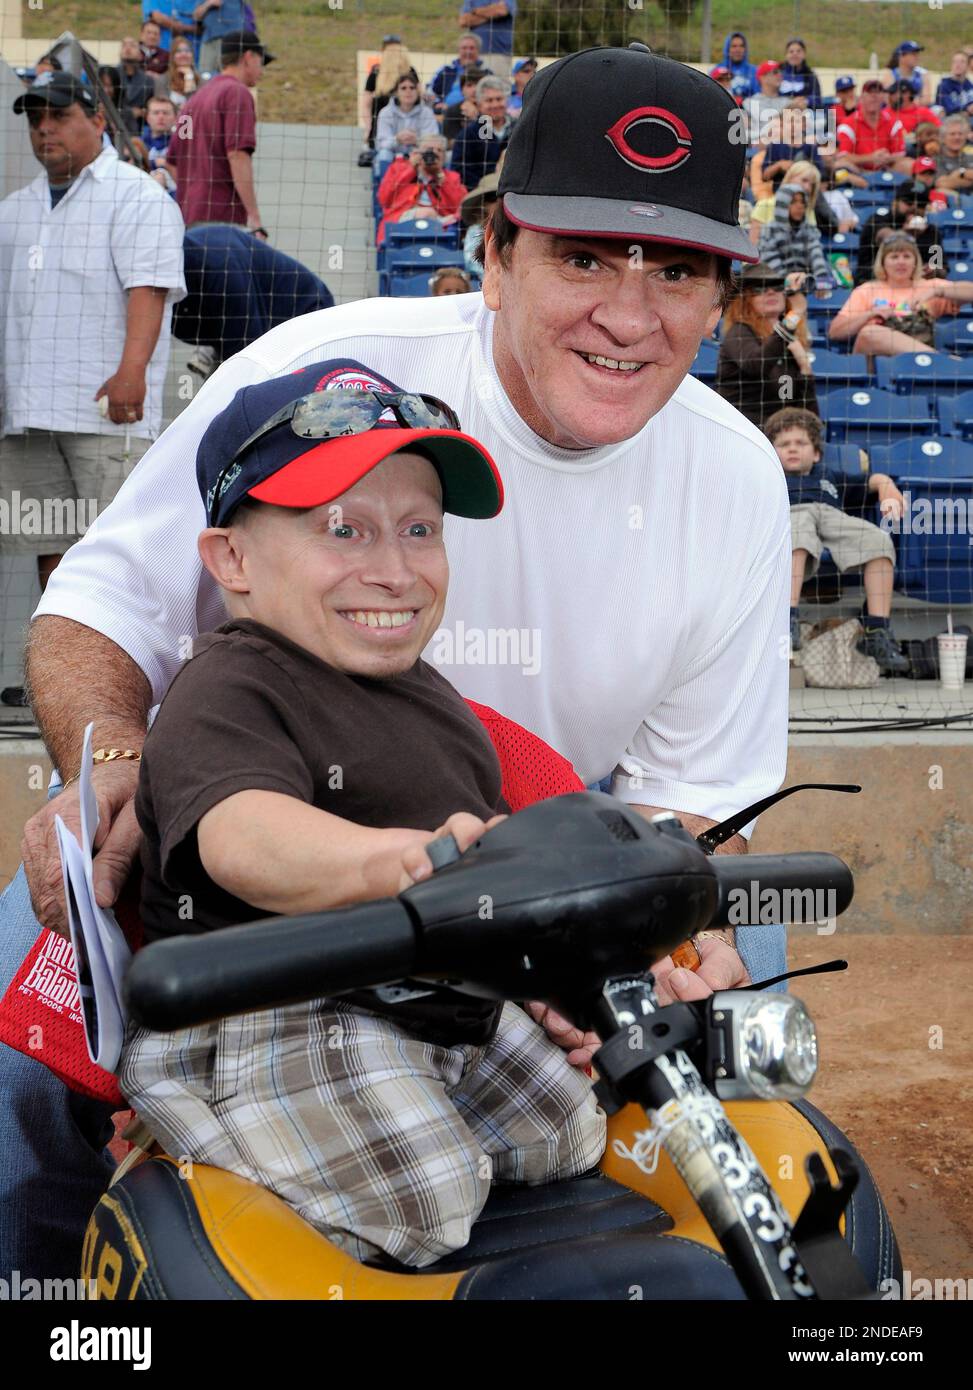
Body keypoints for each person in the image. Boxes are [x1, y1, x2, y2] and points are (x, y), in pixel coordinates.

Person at [3, 46, 788, 1283]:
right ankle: (58, 1286)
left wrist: (641, 922)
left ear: (719, 294)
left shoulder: (737, 478)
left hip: (528, 869)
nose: (629, 315)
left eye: (676, 270)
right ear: (494, 255)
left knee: (736, 1014)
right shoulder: (315, 375)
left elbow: (698, 804)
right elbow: (93, 600)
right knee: (31, 1041)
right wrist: (106, 759)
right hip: (255, 867)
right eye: (583, 258)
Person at [115, 364, 607, 1270]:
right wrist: (416, 861)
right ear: (231, 561)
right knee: (426, 1201)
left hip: (436, 1002)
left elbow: (487, 883)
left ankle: (340, 1159)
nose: (392, 569)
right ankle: (191, 1141)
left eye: (419, 530)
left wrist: (532, 967)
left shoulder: (439, 704)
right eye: (344, 530)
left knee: (572, 1136)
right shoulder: (233, 682)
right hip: (277, 1008)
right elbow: (244, 837)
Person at [0, 73, 185, 693]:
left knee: (116, 556)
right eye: (34, 119)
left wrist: (133, 370)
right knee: (51, 551)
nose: (44, 129)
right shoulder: (16, 208)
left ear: (98, 120)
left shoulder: (137, 196)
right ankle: (66, 680)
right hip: (28, 412)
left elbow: (148, 290)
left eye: (58, 115)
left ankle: (129, 688)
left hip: (106, 410)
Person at [766, 407, 910, 674]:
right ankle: (788, 619)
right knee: (797, 528)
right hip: (794, 516)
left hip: (832, 518)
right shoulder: (770, 477)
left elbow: (874, 480)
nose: (793, 449)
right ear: (771, 451)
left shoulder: (829, 476)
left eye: (801, 443)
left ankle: (877, 630)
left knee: (878, 540)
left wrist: (887, 489)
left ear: (817, 453)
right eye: (784, 444)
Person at [173, 224, 333, 373]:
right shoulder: (170, 269)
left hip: (306, 312)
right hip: (250, 319)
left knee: (262, 386)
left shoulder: (223, 275)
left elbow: (248, 358)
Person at [165, 30, 271, 235]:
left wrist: (195, 195)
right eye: (261, 61)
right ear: (248, 57)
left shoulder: (193, 101)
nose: (262, 70)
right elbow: (237, 154)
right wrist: (254, 218)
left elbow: (172, 161)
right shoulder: (237, 93)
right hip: (223, 218)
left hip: (189, 219)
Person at [829, 232, 973, 356]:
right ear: (883, 262)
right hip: (877, 364)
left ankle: (933, 360)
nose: (901, 262)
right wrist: (871, 314)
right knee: (869, 333)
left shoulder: (930, 286)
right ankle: (940, 360)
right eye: (894, 257)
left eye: (906, 256)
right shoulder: (866, 290)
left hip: (919, 360)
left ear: (915, 262)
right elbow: (835, 332)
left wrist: (937, 291)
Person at [716, 262, 818, 427]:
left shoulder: (789, 339)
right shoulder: (739, 332)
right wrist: (795, 314)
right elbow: (757, 365)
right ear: (745, 299)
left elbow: (809, 413)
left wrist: (805, 367)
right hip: (743, 430)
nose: (771, 292)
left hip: (781, 436)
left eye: (777, 287)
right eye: (759, 288)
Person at [377, 136, 466, 243]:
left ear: (444, 157)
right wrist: (411, 169)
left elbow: (459, 207)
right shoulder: (398, 169)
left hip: (440, 222)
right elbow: (384, 199)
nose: (434, 153)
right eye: (429, 149)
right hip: (402, 219)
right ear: (418, 151)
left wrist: (441, 178)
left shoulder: (452, 177)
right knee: (425, 213)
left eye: (439, 150)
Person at [854, 180, 943, 284]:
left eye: (921, 204)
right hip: (874, 286)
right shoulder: (877, 220)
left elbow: (940, 268)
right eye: (909, 202)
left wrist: (932, 270)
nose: (914, 207)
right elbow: (885, 236)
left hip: (916, 289)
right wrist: (908, 232)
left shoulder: (931, 232)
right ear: (895, 202)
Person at [757, 183, 833, 294]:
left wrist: (821, 279)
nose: (800, 206)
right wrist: (788, 281)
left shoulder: (809, 229)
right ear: (782, 205)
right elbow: (770, 261)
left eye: (802, 202)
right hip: (778, 286)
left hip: (806, 283)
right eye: (793, 202)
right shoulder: (769, 229)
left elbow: (816, 256)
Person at [358, 37, 418, 167]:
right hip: (395, 135)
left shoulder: (377, 72)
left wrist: (368, 128)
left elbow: (365, 104)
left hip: (383, 135)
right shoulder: (410, 73)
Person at [834, 78, 910, 174]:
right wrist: (871, 158)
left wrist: (885, 158)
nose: (849, 94)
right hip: (858, 170)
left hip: (887, 168)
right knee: (839, 164)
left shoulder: (893, 120)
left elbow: (900, 154)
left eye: (851, 90)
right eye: (844, 91)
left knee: (909, 164)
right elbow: (839, 153)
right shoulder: (831, 111)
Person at [450, 75, 511, 188]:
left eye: (499, 99)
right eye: (489, 100)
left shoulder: (519, 129)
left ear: (506, 100)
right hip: (481, 196)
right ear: (479, 104)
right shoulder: (467, 135)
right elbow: (460, 172)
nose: (495, 105)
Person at [374, 72, 439, 160]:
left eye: (412, 88)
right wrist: (397, 139)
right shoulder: (386, 113)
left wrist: (417, 140)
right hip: (393, 157)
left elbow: (433, 142)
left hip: (419, 156)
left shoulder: (426, 112)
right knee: (383, 155)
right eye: (403, 88)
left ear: (417, 91)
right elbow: (380, 144)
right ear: (396, 92)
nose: (408, 91)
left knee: (431, 156)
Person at [459, 1, 516, 85]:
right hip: (474, 55)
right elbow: (463, 21)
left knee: (498, 89)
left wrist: (475, 11)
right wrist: (491, 12)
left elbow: (501, 11)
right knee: (473, 87)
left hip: (498, 54)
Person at [430, 33, 485, 113]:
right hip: (445, 112)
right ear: (458, 50)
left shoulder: (486, 72)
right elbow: (431, 91)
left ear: (478, 51)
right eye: (464, 48)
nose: (468, 52)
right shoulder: (446, 70)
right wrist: (437, 103)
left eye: (472, 48)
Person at [194, 0, 250, 75]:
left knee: (233, 75)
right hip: (209, 41)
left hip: (233, 41)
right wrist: (209, 3)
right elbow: (196, 16)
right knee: (205, 75)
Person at [116, 36, 157, 136]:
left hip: (139, 131)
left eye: (133, 46)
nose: (128, 48)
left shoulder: (148, 81)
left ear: (140, 55)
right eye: (124, 45)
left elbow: (150, 108)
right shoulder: (110, 76)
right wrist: (131, 112)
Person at [460, 168, 498, 272]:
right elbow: (472, 262)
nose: (499, 202)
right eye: (492, 197)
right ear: (483, 205)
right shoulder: (475, 230)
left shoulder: (521, 229)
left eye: (503, 196)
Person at [744, 60, 788, 142]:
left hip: (784, 146)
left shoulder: (788, 102)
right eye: (775, 72)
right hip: (757, 147)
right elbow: (741, 134)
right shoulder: (748, 103)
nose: (780, 75)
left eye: (780, 72)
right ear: (762, 78)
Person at [442, 64, 485, 143]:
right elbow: (449, 143)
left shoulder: (492, 110)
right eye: (469, 85)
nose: (474, 90)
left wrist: (476, 119)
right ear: (462, 90)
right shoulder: (452, 111)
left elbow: (490, 141)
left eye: (478, 85)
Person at [934, 113, 973, 194]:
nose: (957, 137)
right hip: (952, 202)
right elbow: (942, 184)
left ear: (966, 137)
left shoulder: (971, 157)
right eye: (952, 134)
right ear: (943, 138)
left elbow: (948, 182)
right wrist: (967, 175)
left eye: (960, 134)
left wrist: (960, 173)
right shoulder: (937, 160)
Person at [778, 38, 821, 105]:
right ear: (786, 55)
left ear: (804, 54)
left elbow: (817, 99)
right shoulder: (778, 72)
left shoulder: (810, 76)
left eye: (798, 51)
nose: (795, 54)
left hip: (804, 111)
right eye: (791, 51)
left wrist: (805, 101)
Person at [165, 37, 201, 111]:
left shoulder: (202, 80)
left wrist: (189, 76)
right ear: (172, 56)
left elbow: (196, 106)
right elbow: (162, 106)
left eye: (187, 51)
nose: (184, 54)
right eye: (178, 51)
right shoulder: (162, 79)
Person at [935, 51, 973, 119]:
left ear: (968, 66)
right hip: (951, 121)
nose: (958, 65)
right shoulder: (944, 85)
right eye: (955, 62)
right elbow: (949, 109)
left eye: (962, 62)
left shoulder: (969, 85)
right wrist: (967, 109)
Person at [722, 31, 757, 99]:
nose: (738, 49)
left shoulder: (754, 71)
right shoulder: (717, 71)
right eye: (734, 46)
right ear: (727, 49)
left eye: (741, 46)